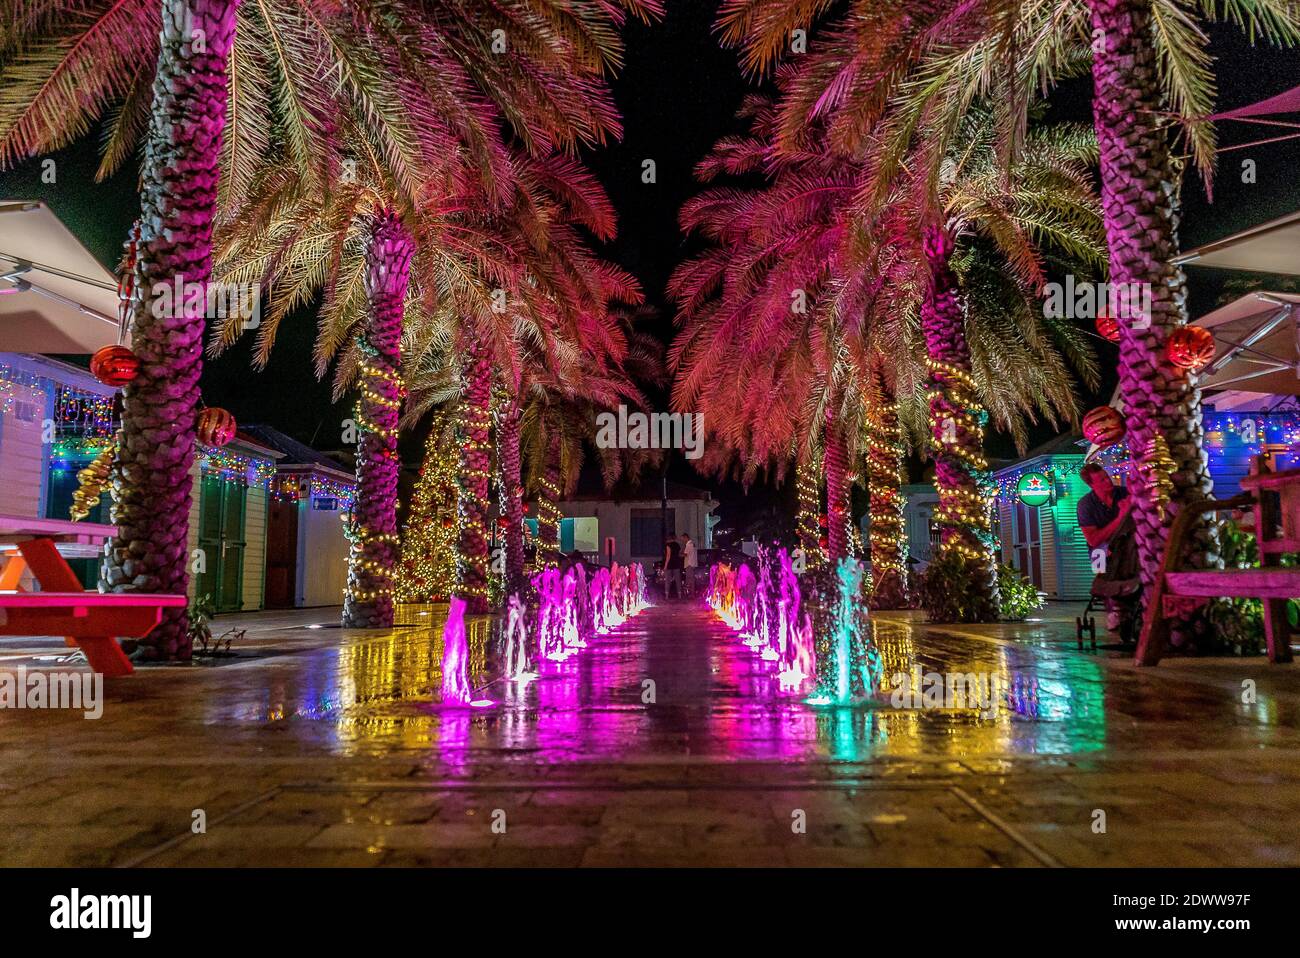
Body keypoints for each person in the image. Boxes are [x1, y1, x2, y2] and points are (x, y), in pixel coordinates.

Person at [1077, 462, 1136, 630]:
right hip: (1099, 549)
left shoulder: (1124, 494)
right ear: (1091, 485)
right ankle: (1113, 611)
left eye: (1106, 477)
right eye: (1101, 480)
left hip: (1125, 545)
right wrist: (1120, 518)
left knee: (1131, 558)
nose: (1107, 482)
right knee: (1101, 562)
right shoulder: (1086, 505)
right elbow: (1093, 539)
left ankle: (1130, 604)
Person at [663, 534, 683, 599]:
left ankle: (667, 596)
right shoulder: (677, 545)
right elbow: (679, 554)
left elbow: (668, 556)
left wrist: (665, 566)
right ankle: (679, 595)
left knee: (668, 580)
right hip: (677, 564)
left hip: (670, 564)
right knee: (678, 580)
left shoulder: (668, 545)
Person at [681, 533, 698, 598]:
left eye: (683, 539)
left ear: (686, 537)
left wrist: (679, 554)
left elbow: (685, 554)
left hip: (689, 564)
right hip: (693, 563)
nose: (683, 540)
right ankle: (691, 593)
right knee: (691, 579)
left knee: (689, 579)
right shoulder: (693, 544)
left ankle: (691, 594)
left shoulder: (688, 545)